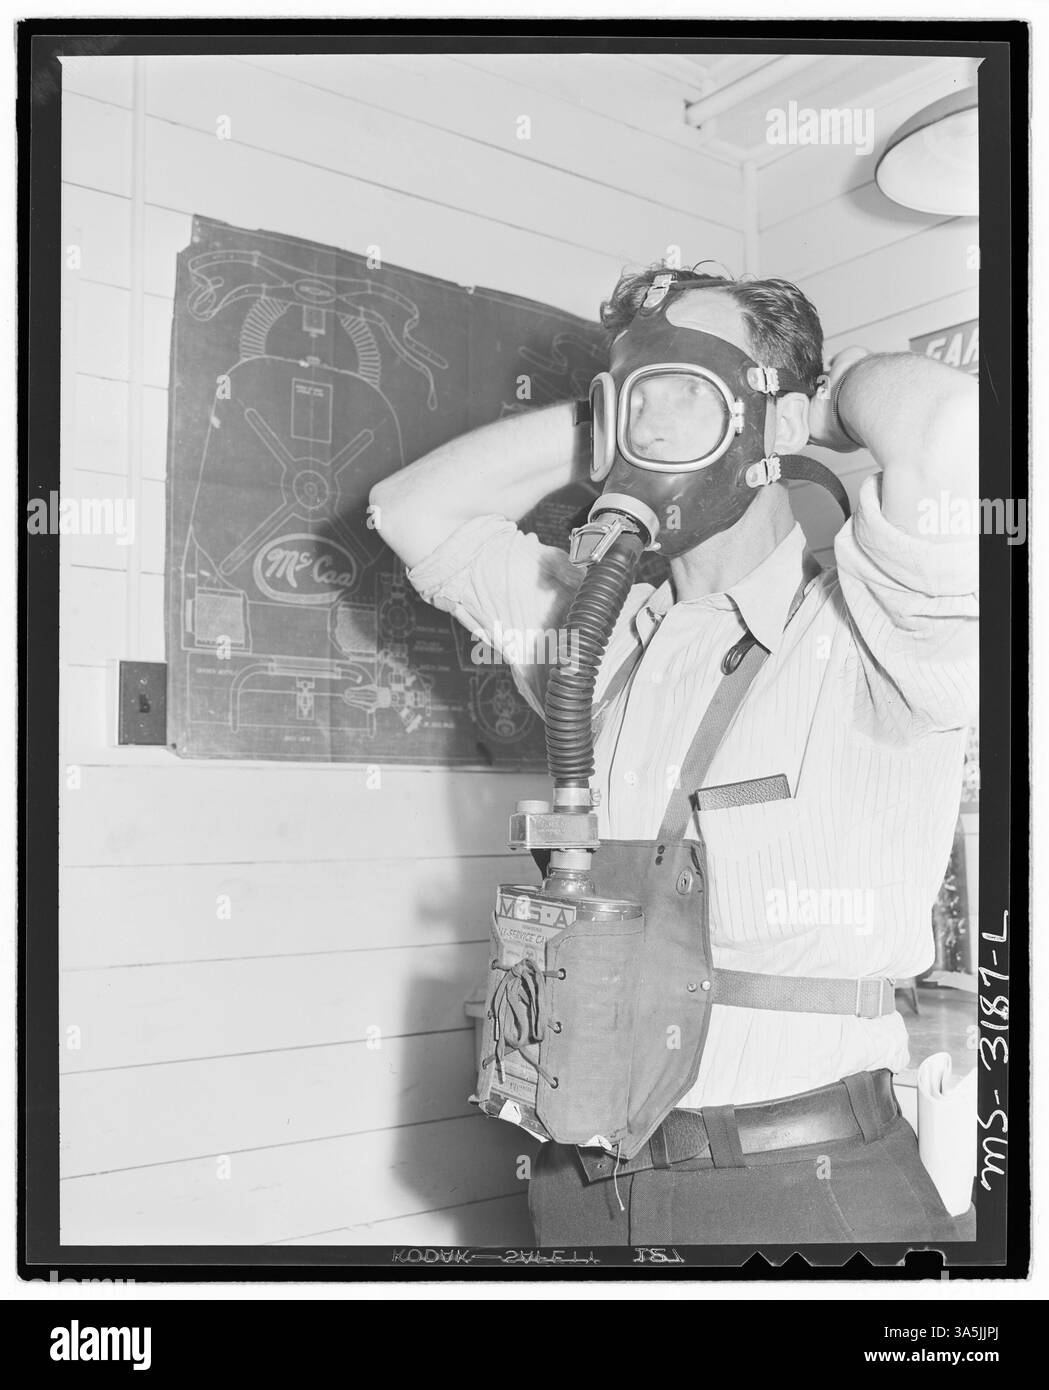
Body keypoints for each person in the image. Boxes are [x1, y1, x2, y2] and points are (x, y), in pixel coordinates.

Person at [371, 264, 979, 1246]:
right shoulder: (601, 632)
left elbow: (948, 435)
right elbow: (410, 512)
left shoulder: (869, 625)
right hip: (581, 1189)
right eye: (633, 389)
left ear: (765, 415)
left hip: (796, 1197)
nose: (653, 418)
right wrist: (618, 419)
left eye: (689, 384)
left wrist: (828, 402)